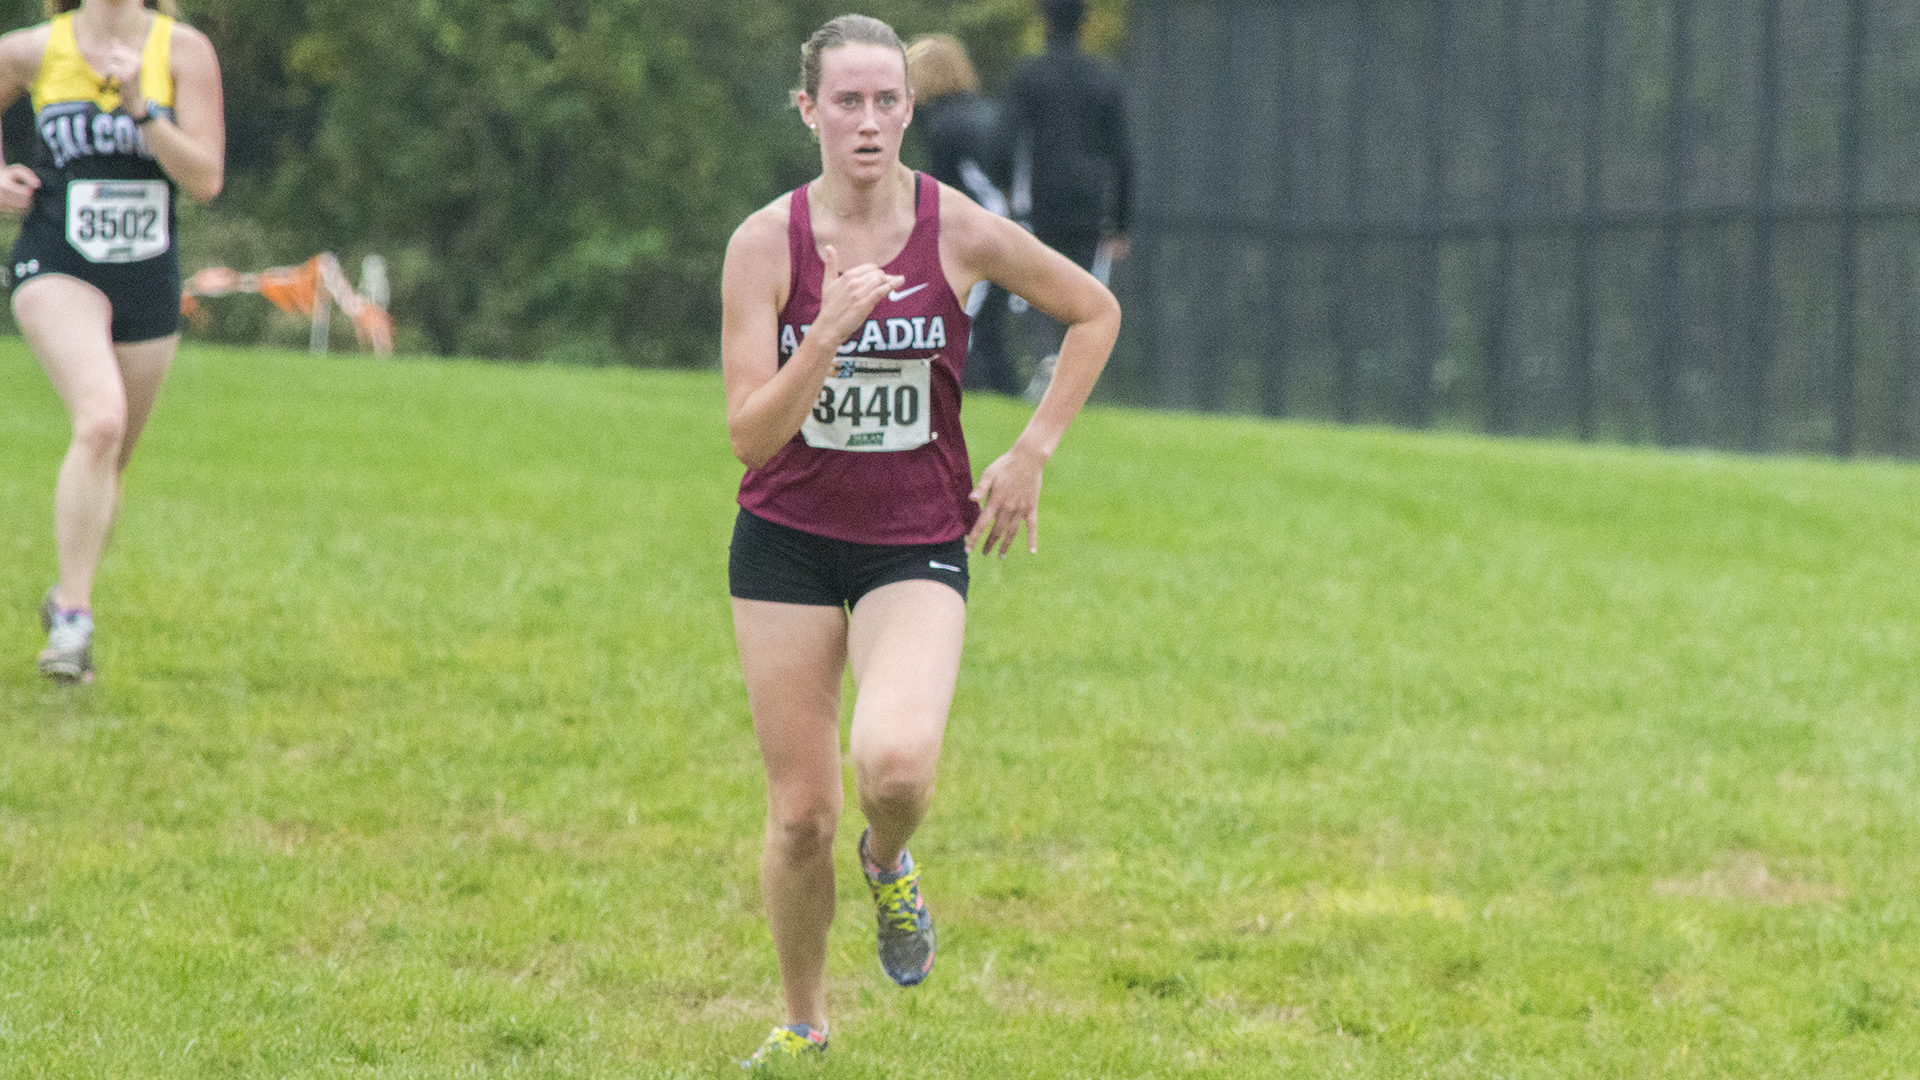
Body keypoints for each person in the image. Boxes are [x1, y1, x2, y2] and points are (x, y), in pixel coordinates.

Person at [720, 12, 1119, 1067]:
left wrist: (1031, 451)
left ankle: (888, 863)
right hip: (786, 543)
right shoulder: (763, 245)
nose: (867, 120)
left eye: (886, 101)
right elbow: (750, 437)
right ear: (808, 111)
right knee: (800, 816)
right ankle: (804, 1022)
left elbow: (1094, 310)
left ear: (910, 110)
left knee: (894, 769)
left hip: (915, 541)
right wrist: (824, 336)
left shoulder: (958, 230)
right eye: (845, 101)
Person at [0, 0, 224, 683]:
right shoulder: (33, 48)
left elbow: (205, 179)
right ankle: (74, 619)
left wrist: (143, 111)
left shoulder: (183, 52)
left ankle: (68, 594)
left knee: (111, 460)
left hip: (147, 279)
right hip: (55, 261)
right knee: (100, 420)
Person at [1002, 0, 1132, 400]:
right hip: (1089, 204)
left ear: (1045, 22)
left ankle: (1046, 357)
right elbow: (1123, 154)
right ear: (1084, 23)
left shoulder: (1028, 75)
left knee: (1032, 283)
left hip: (1038, 201)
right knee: (1081, 289)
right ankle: (1066, 370)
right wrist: (1121, 222)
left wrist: (1005, 190)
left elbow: (1007, 138)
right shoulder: (1105, 78)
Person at [905, 33, 1017, 395]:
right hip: (1001, 219)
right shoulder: (988, 112)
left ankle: (978, 383)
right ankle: (1002, 387)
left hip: (972, 224)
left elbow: (947, 185)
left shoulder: (943, 124)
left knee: (969, 312)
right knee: (989, 319)